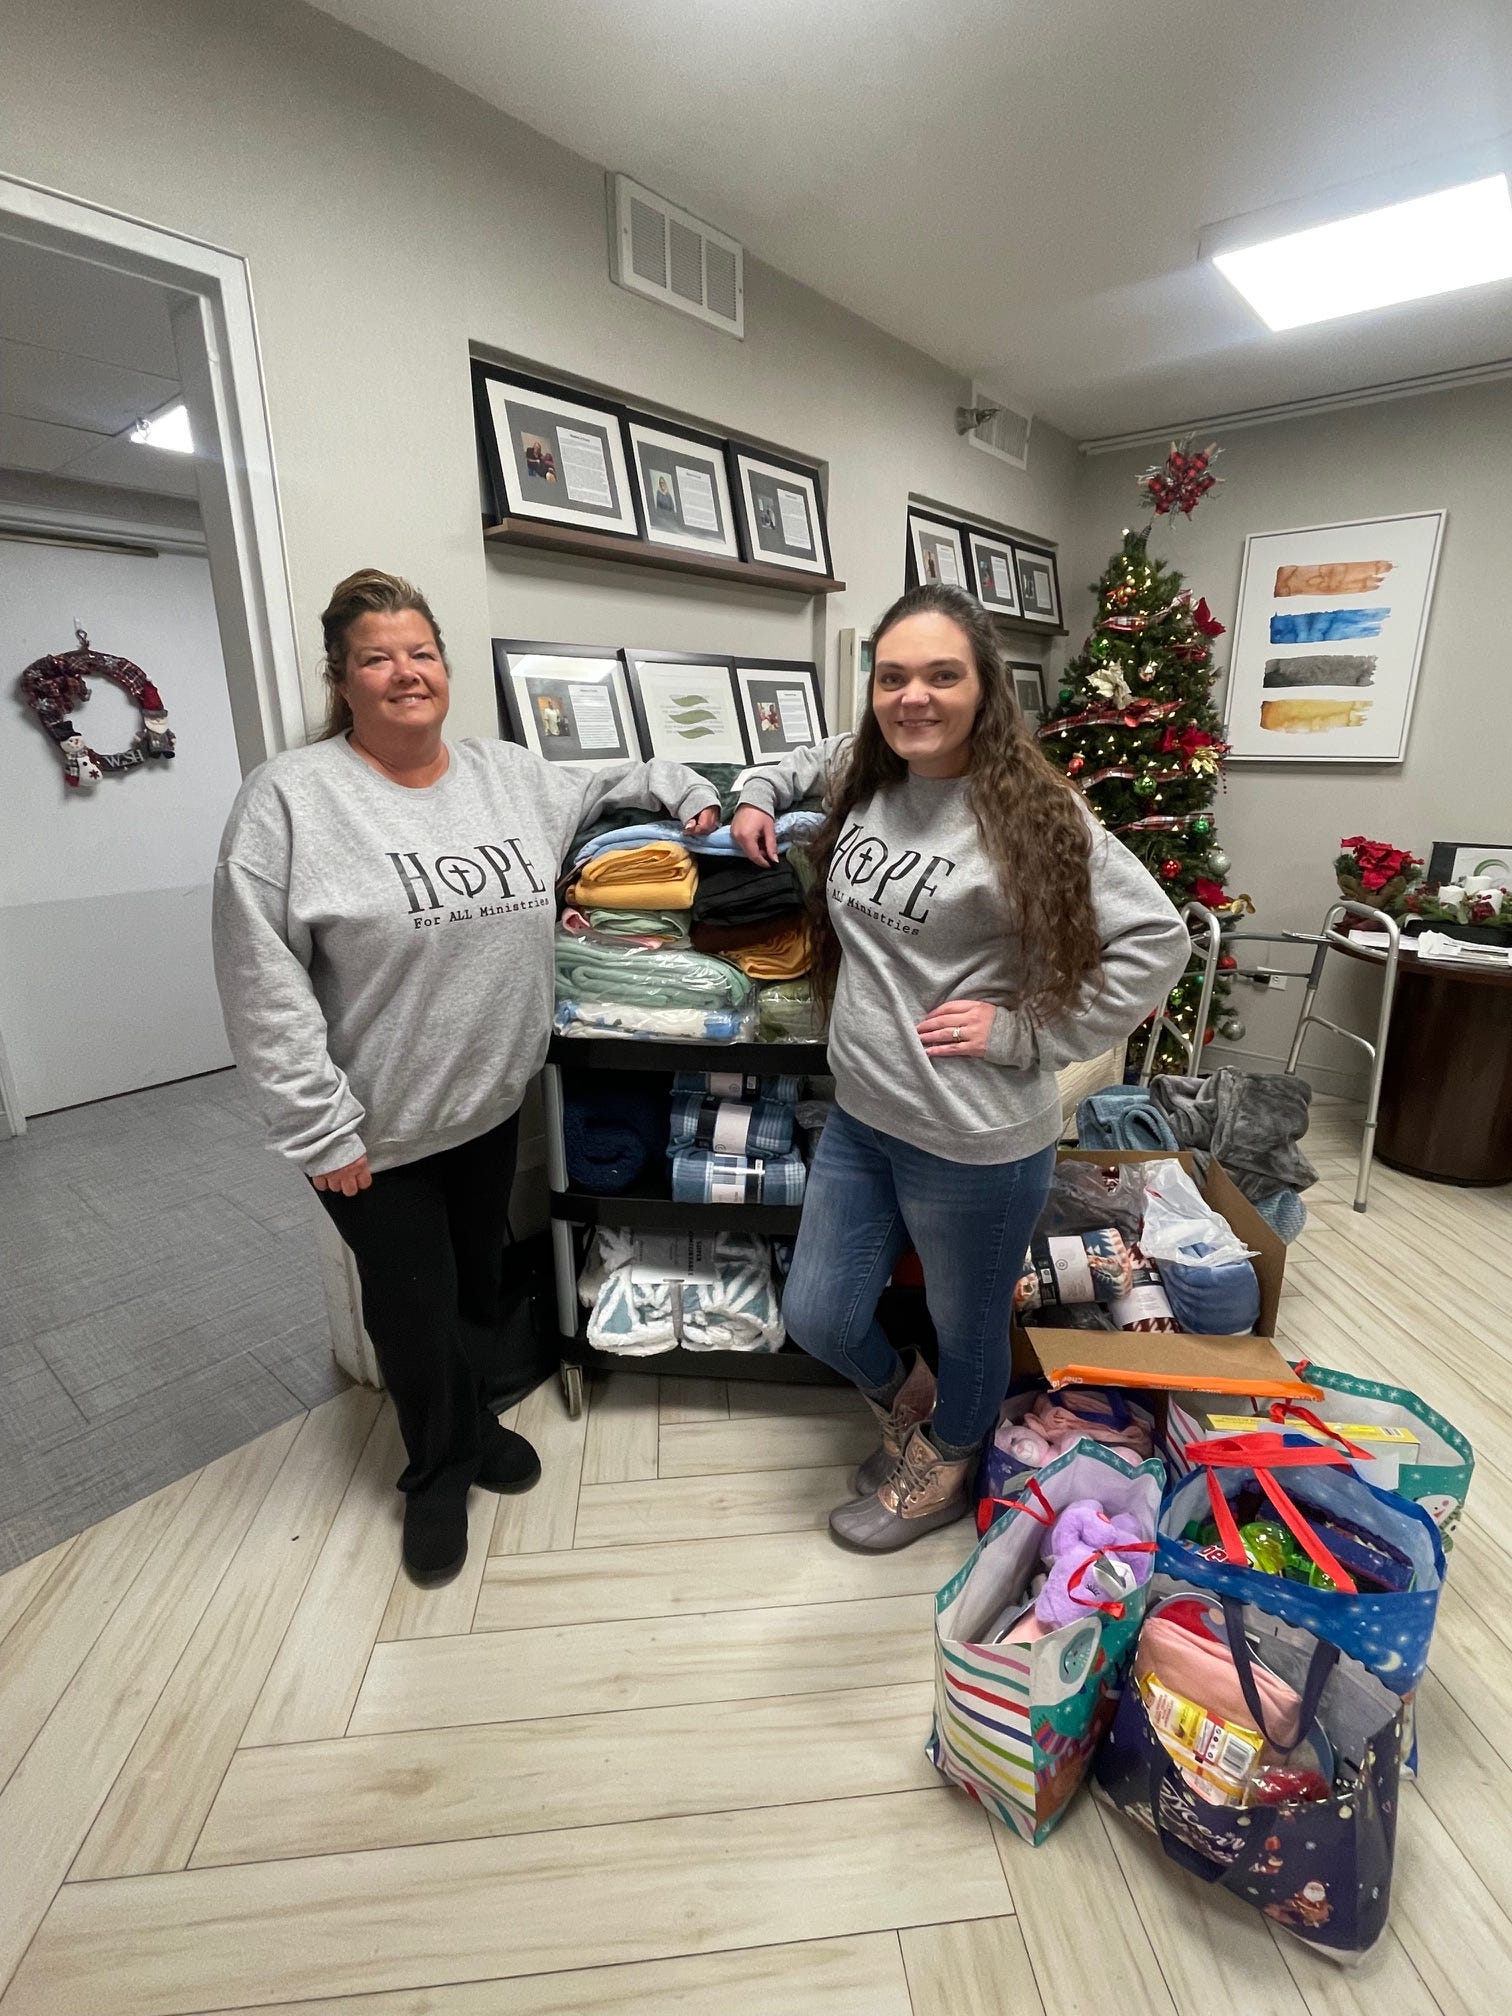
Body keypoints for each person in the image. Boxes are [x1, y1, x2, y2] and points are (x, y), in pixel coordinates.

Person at [213, 569, 720, 1584]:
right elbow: (258, 979)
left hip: (490, 1105)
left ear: (444, 666)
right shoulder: (292, 800)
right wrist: (321, 1133)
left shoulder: (507, 776)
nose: (406, 673)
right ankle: (436, 1473)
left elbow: (616, 782)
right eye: (377, 658)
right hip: (375, 1134)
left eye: (421, 652)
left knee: (478, 1289)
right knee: (410, 1311)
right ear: (341, 678)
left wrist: (696, 794)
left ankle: (476, 1427)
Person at [731, 582, 1188, 1552]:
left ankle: (946, 1462)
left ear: (984, 687)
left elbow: (1159, 938)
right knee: (817, 1312)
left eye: (942, 675)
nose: (914, 697)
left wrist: (1024, 1031)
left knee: (968, 1322)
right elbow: (796, 761)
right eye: (893, 677)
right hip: (863, 1115)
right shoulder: (869, 768)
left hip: (974, 1140)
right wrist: (754, 796)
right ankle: (923, 1414)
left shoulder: (1033, 810)